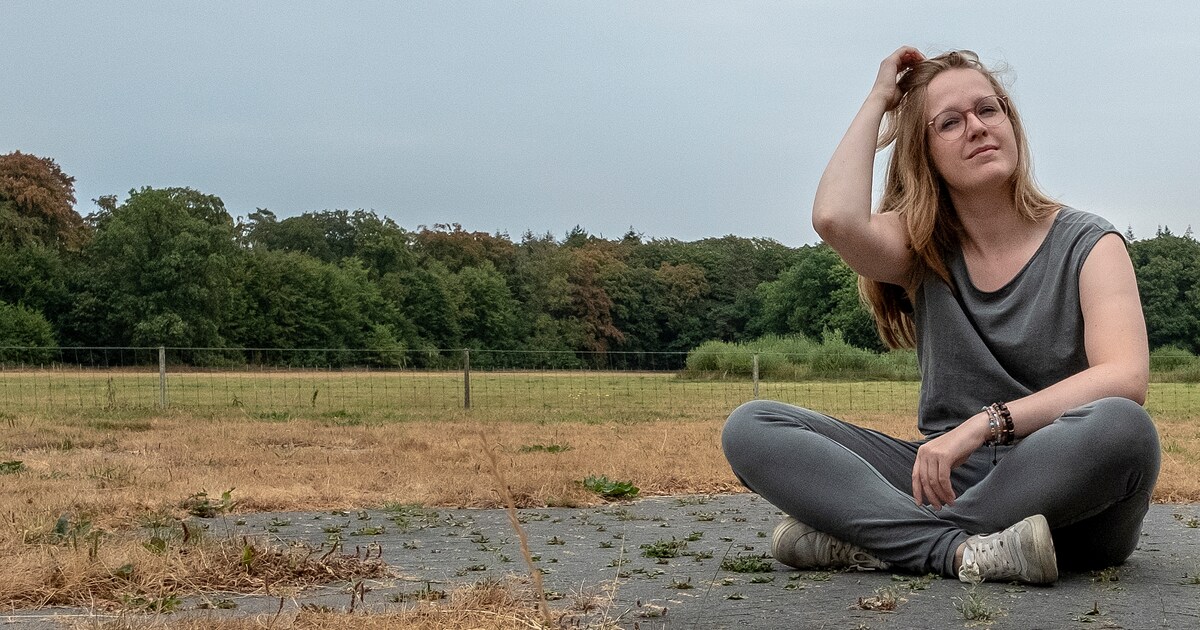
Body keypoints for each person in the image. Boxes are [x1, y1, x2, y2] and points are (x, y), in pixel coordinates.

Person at [721, 47, 1161, 584]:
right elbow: (835, 217)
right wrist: (881, 97)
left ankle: (890, 542)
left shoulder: (1090, 243)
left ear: (1010, 122)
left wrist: (985, 424)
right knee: (753, 425)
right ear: (924, 153)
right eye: (949, 122)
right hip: (948, 478)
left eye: (988, 110)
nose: (975, 127)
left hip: (1067, 490)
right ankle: (960, 552)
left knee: (1124, 427)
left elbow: (1125, 377)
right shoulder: (922, 248)